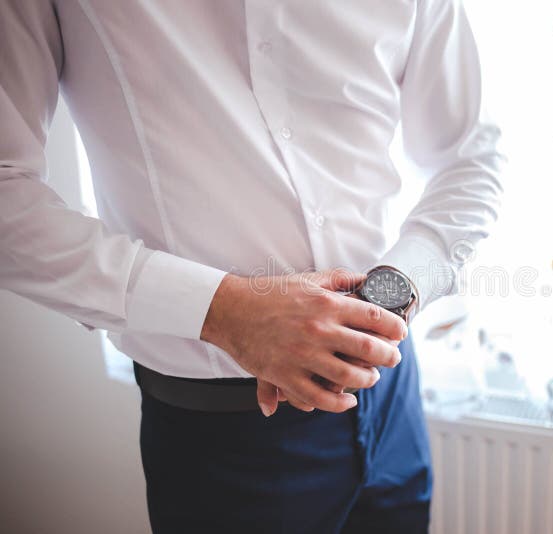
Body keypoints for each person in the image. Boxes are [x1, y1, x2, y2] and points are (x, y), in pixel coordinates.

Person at [0, 1, 504, 532]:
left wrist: (394, 291)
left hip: (391, 387)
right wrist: (224, 311)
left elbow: (471, 157)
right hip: (225, 438)